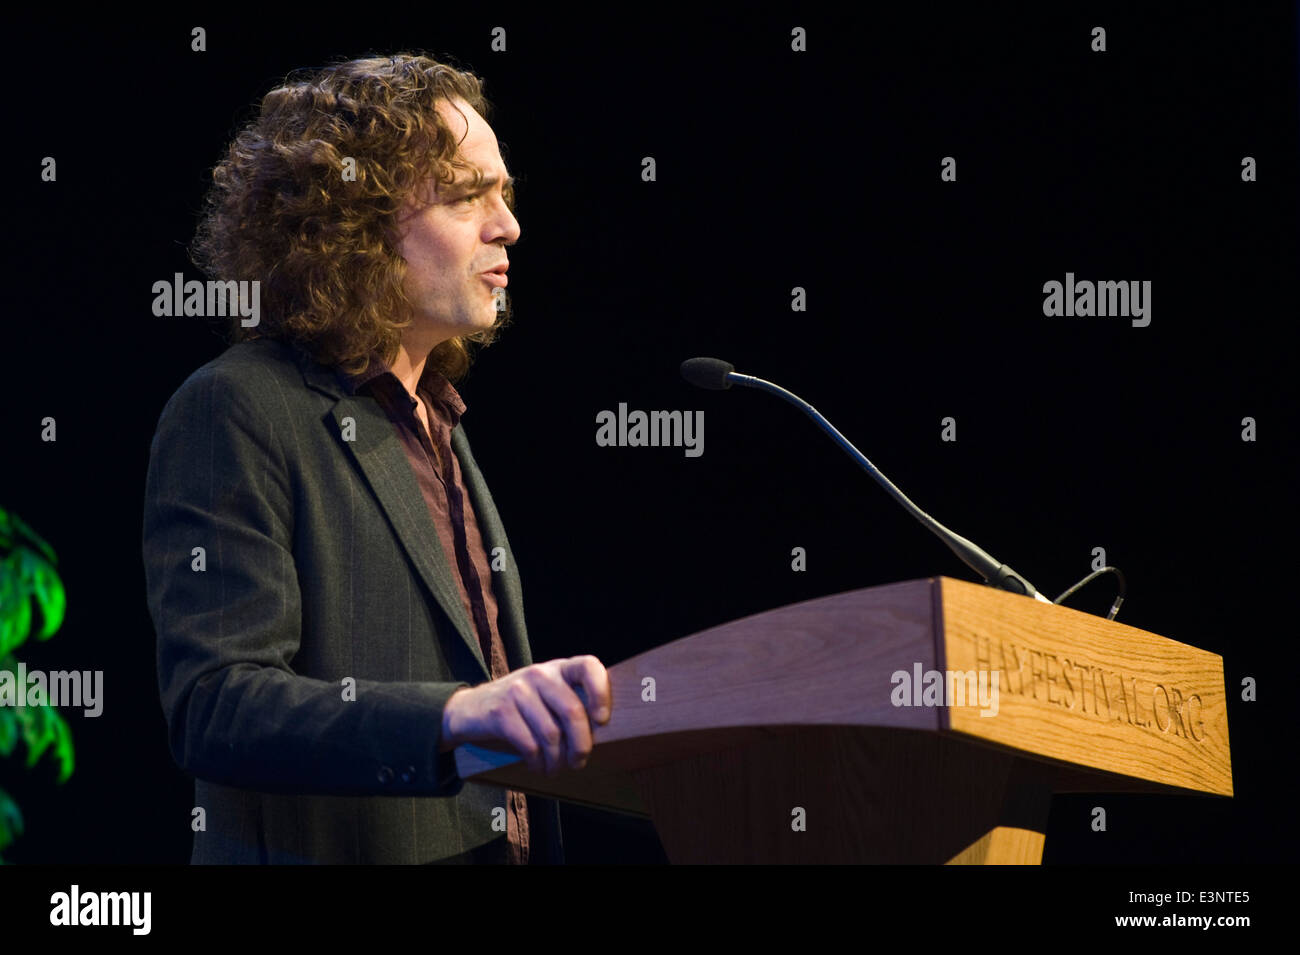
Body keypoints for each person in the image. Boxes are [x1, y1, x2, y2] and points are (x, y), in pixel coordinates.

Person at [142, 53, 610, 864]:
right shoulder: (237, 409)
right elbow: (217, 704)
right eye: (469, 196)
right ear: (354, 221)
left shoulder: (440, 423)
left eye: (504, 192)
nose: (509, 226)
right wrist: (452, 715)